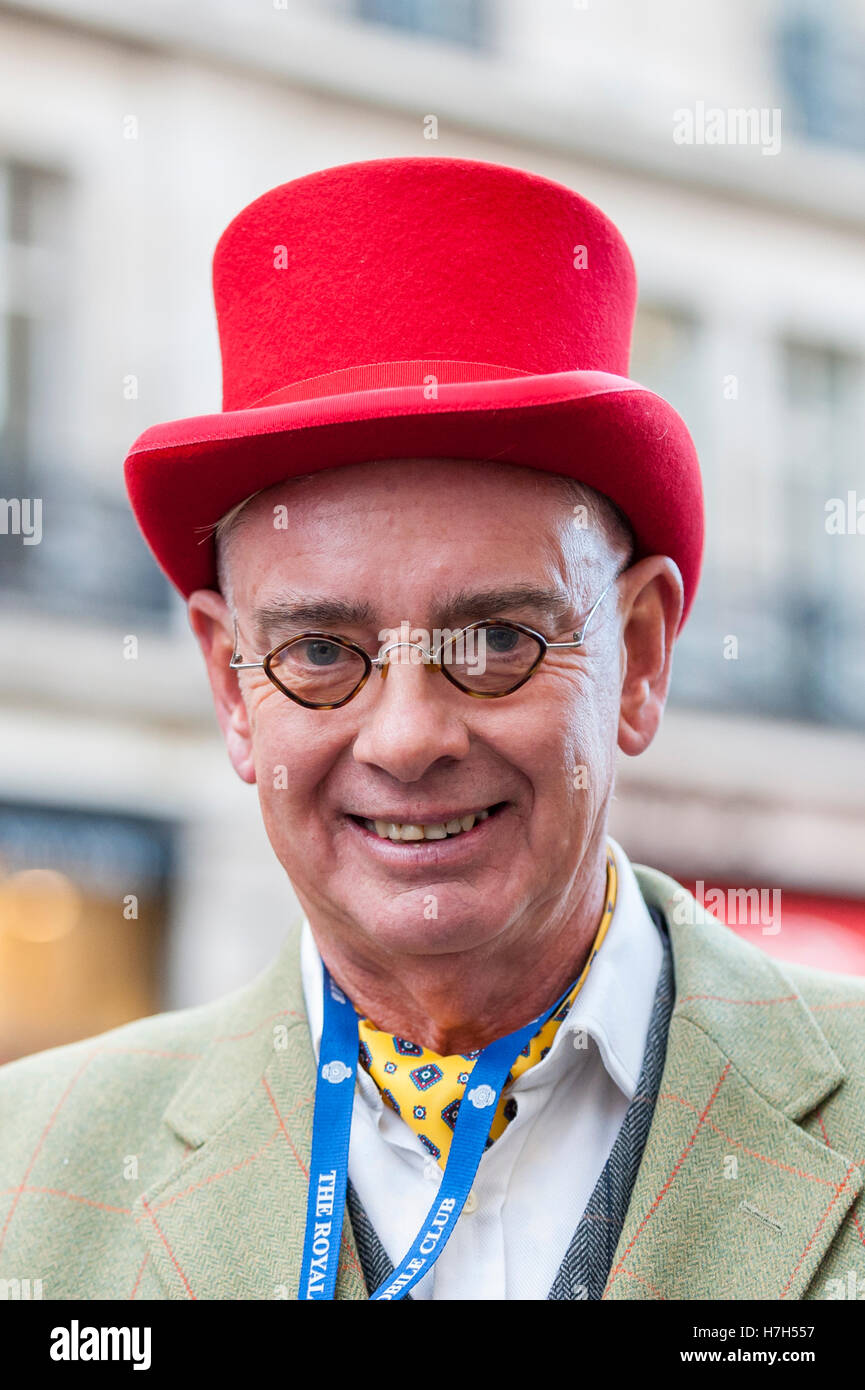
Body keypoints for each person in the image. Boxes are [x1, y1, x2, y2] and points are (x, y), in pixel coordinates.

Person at [1, 158, 863, 1302]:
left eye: (498, 640)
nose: (407, 739)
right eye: (320, 654)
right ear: (228, 686)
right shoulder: (26, 1171)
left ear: (639, 656)